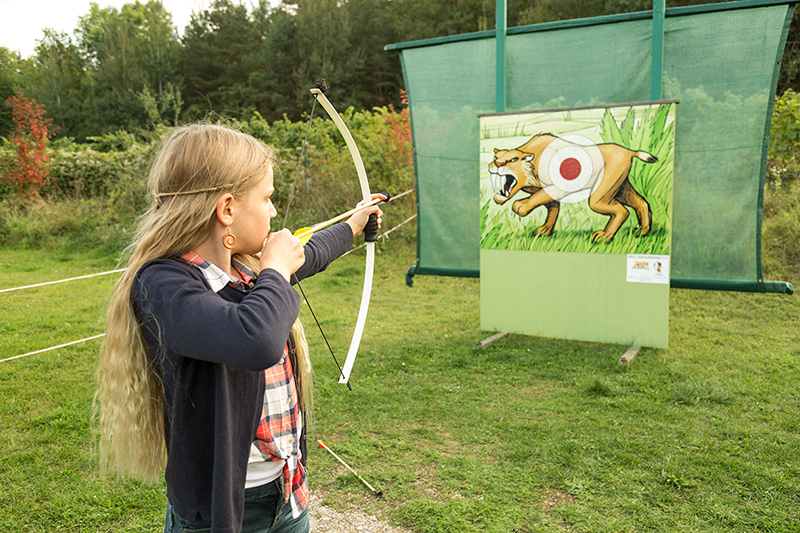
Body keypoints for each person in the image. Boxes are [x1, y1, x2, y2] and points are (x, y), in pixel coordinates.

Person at [95, 123, 383, 533]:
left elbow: (309, 253)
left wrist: (353, 225)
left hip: (287, 490)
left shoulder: (247, 272)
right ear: (227, 209)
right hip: (222, 511)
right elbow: (255, 338)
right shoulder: (163, 284)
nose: (273, 211)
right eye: (266, 198)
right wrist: (276, 268)